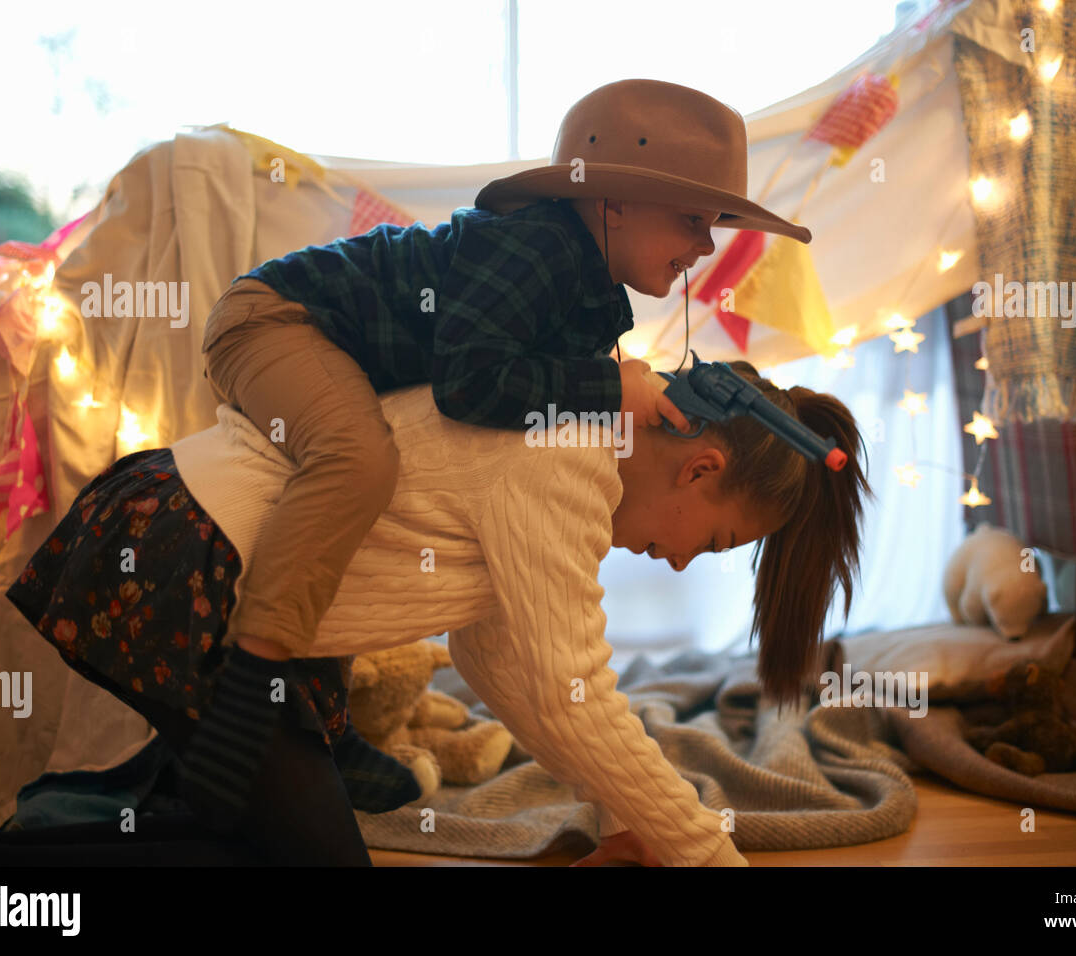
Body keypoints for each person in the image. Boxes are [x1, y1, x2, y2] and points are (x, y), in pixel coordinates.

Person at [179, 77, 813, 843]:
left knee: (371, 516)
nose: (705, 246)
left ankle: (324, 718)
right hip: (276, 321)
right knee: (357, 465)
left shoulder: (593, 298)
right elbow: (471, 384)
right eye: (691, 220)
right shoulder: (537, 249)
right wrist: (613, 385)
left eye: (713, 226)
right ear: (611, 201)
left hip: (329, 345)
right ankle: (253, 679)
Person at [0, 359, 867, 868]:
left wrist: (620, 811)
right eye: (711, 542)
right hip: (186, 559)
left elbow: (498, 660)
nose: (679, 560)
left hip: (204, 567)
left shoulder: (572, 458)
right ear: (701, 468)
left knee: (243, 823)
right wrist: (705, 854)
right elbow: (577, 693)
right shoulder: (571, 457)